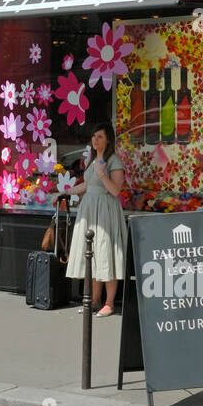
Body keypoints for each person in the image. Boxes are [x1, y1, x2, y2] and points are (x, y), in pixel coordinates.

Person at [60, 121, 127, 317]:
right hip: (90, 210)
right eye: (94, 136)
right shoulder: (92, 159)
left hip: (105, 210)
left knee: (107, 252)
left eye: (100, 137)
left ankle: (109, 302)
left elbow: (115, 190)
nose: (95, 140)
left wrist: (102, 175)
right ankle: (95, 300)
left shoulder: (114, 161)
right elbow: (87, 185)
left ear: (108, 140)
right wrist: (65, 192)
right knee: (94, 254)